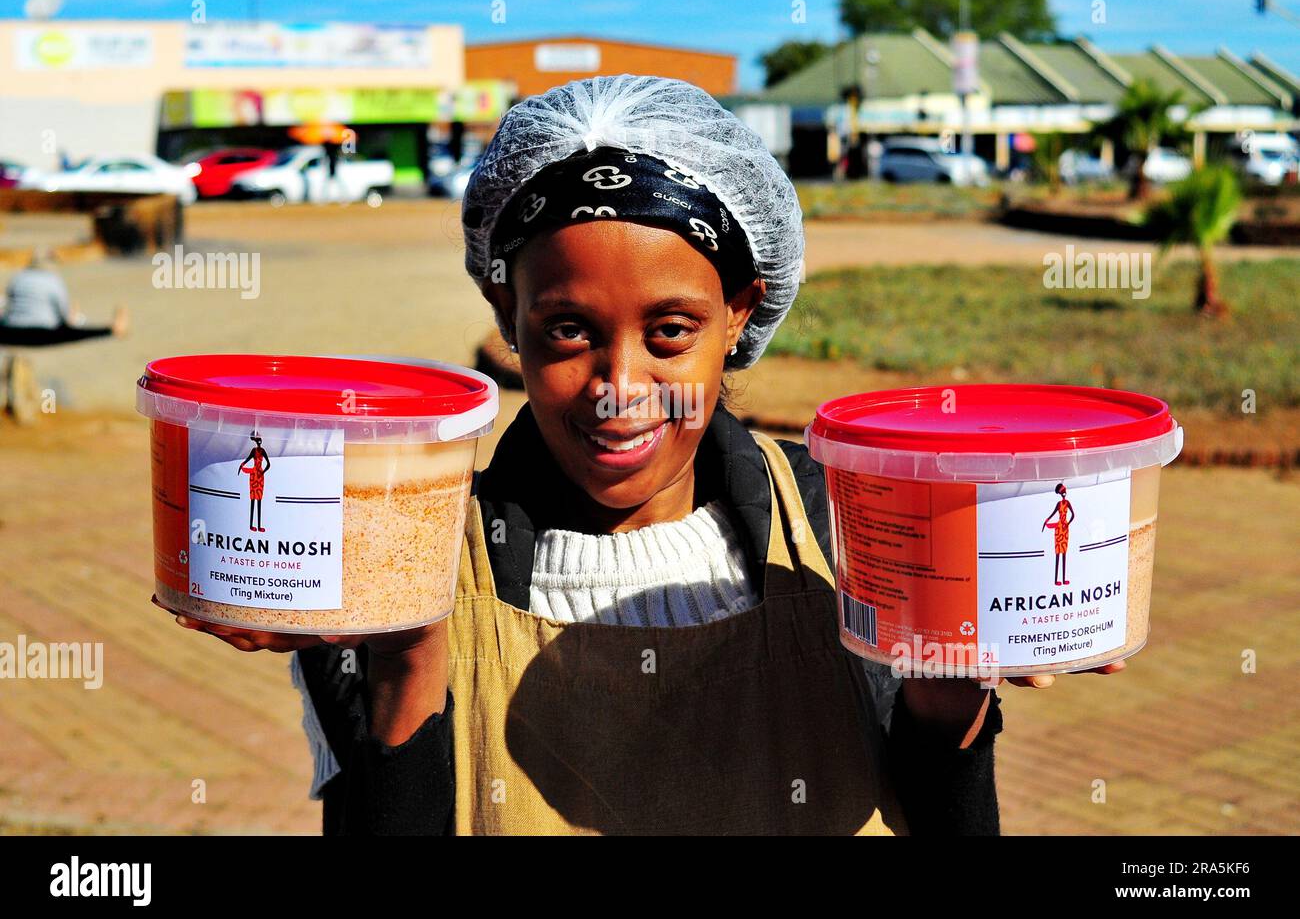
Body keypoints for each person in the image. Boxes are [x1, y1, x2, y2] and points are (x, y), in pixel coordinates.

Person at [169, 75, 1124, 835]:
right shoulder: (400, 554)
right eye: (567, 331)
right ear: (507, 316)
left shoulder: (853, 525)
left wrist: (947, 689)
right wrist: (407, 651)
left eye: (671, 331)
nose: (619, 385)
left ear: (741, 313)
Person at [0, 247, 128, 346]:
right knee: (74, 329)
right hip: (43, 333)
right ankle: (112, 329)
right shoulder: (53, 280)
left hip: (12, 331)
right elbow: (66, 317)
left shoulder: (17, 278)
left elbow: (6, 307)